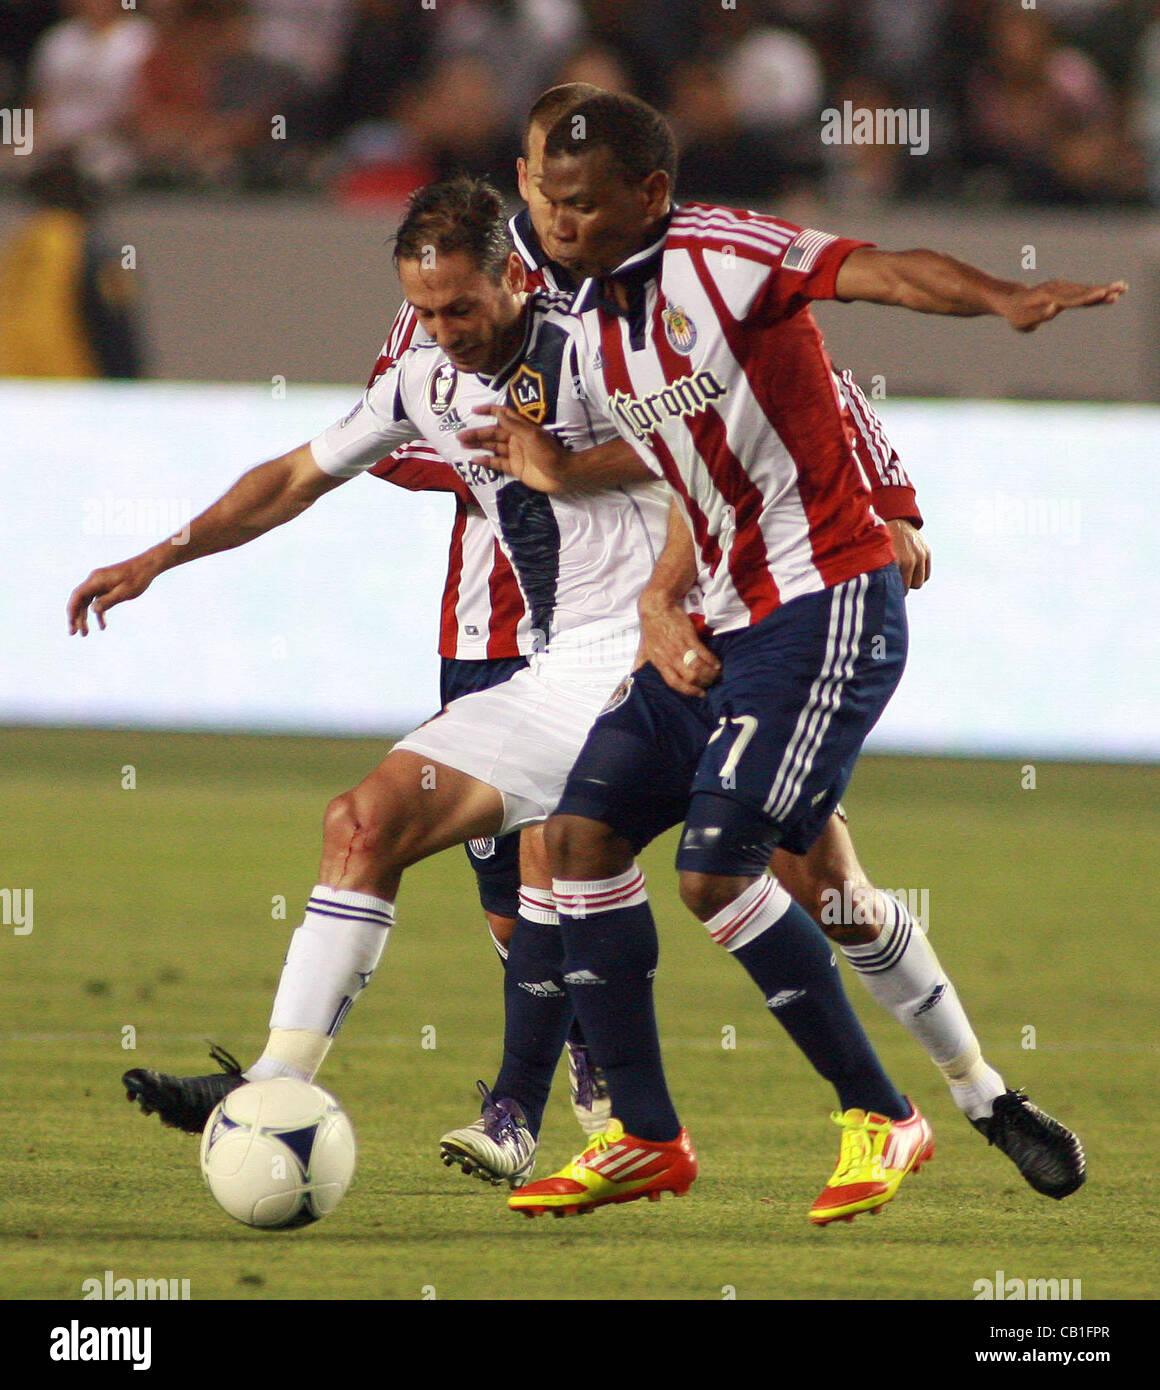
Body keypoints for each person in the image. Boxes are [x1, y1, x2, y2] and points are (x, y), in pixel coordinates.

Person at [459, 91, 1121, 1221]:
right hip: (719, 626)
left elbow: (879, 271)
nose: (555, 218)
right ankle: (647, 1134)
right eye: (541, 194)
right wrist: (661, 596)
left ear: (648, 194)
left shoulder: (722, 254)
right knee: (581, 841)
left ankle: (906, 1109)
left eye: (576, 200)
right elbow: (695, 467)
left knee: (732, 873)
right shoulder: (586, 317)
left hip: (820, 608)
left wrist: (1000, 298)